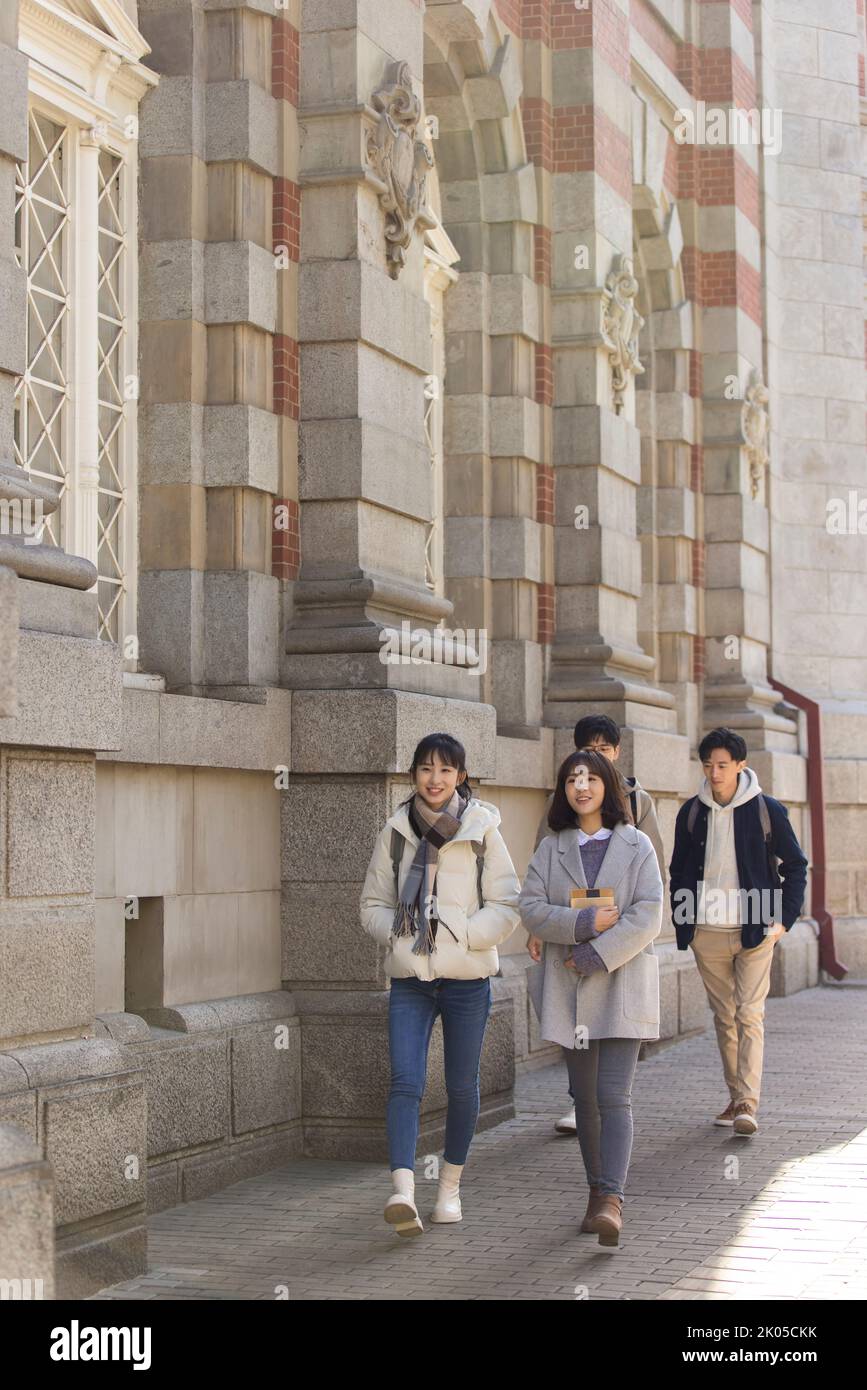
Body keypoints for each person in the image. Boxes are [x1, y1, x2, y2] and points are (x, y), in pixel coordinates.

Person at [360, 733, 521, 1237]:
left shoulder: (482, 828)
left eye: (446, 770)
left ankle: (449, 1186)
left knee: (461, 1086)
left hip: (467, 980)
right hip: (412, 979)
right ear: (413, 775)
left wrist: (469, 936)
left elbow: (507, 902)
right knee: (405, 1081)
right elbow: (371, 906)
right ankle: (403, 1191)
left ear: (461, 777)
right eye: (426, 769)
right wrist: (401, 936)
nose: (435, 779)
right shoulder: (394, 830)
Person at [520, 749, 663, 1246]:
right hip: (569, 990)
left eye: (590, 777)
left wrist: (595, 953)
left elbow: (649, 914)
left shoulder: (637, 844)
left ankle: (610, 1198)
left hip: (621, 981)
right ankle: (594, 1192)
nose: (581, 786)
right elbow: (531, 907)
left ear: (608, 785)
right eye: (572, 779)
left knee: (613, 1095)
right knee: (584, 1097)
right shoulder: (551, 847)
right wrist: (581, 923)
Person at [668, 727, 807, 1137]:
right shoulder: (692, 812)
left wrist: (783, 919)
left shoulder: (767, 810)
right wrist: (685, 924)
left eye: (723, 765)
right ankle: (736, 1097)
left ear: (741, 766)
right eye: (708, 765)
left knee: (750, 1013)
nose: (714, 773)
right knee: (725, 1016)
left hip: (756, 928)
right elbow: (678, 872)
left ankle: (748, 1101)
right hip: (706, 931)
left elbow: (795, 866)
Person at [531, 715, 665, 1136]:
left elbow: (651, 895)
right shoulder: (558, 829)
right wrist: (559, 926)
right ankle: (581, 1104)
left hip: (620, 950)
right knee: (585, 1070)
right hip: (572, 946)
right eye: (586, 752)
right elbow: (535, 890)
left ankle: (609, 1187)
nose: (584, 784)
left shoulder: (637, 810)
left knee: (613, 1091)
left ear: (616, 754)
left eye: (604, 750)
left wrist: (602, 948)